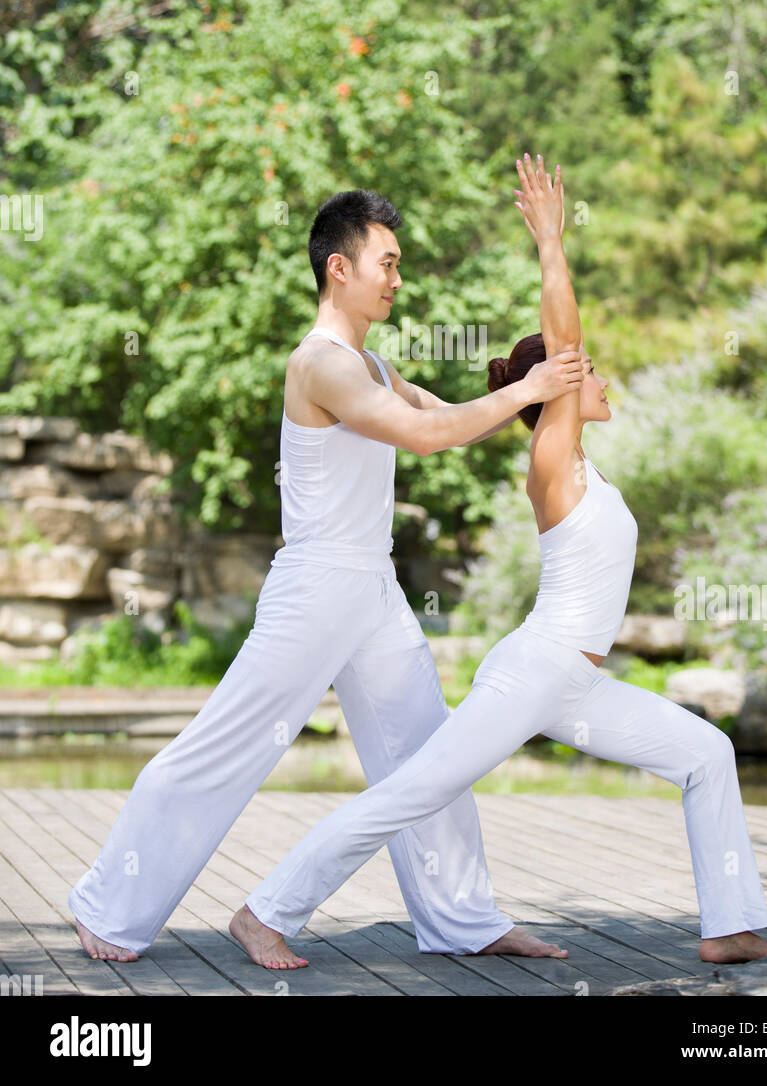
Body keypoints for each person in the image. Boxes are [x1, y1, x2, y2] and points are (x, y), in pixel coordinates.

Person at [231, 155, 767, 971]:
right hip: (532, 674)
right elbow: (564, 340)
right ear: (554, 387)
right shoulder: (554, 462)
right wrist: (551, 245)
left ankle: (729, 923)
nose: (597, 375)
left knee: (708, 752)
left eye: (587, 370)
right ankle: (264, 910)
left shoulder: (594, 473)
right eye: (583, 371)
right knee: (416, 791)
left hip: (578, 687)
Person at [70, 188, 585, 964]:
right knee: (226, 746)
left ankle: (465, 920)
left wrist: (535, 395)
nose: (397, 280)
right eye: (387, 263)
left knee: (426, 753)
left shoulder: (372, 363)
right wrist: (526, 392)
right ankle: (108, 908)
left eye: (399, 266)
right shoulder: (318, 364)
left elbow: (447, 411)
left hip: (371, 589)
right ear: (339, 267)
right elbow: (417, 433)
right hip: (313, 587)